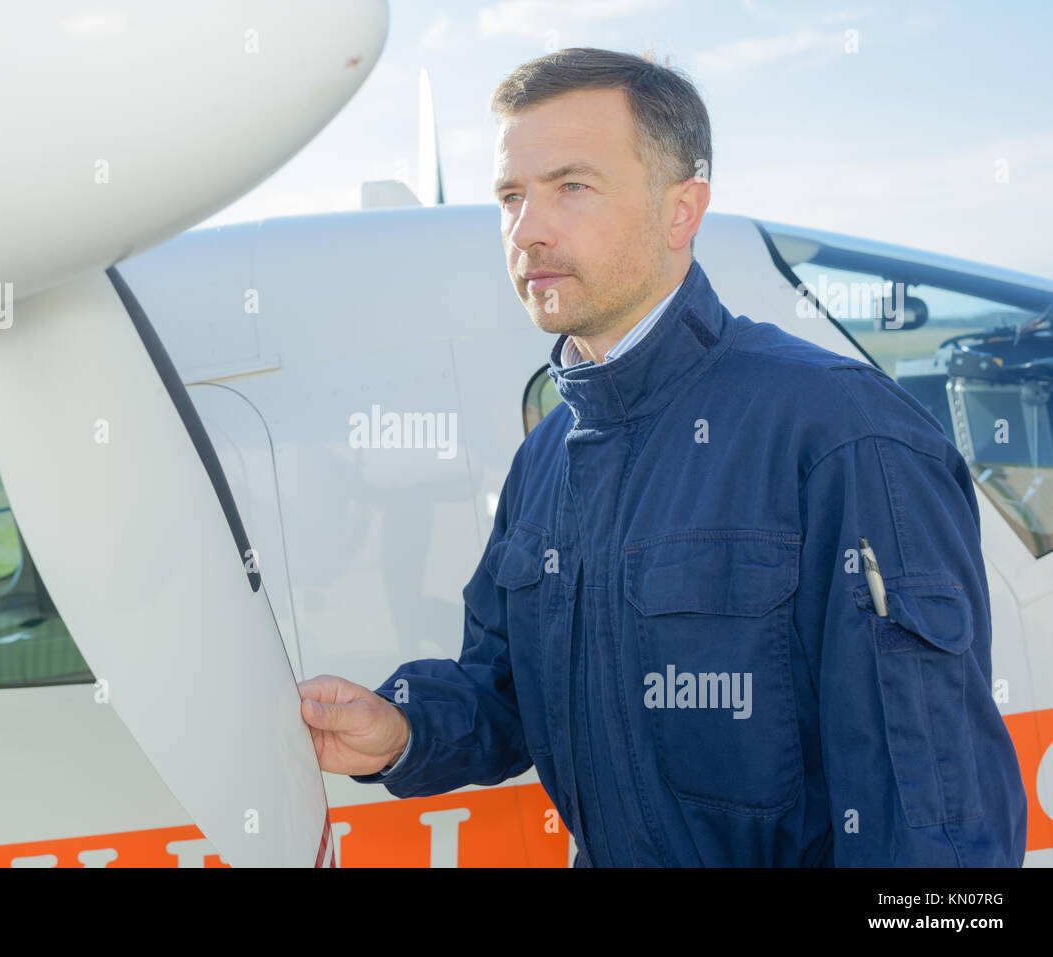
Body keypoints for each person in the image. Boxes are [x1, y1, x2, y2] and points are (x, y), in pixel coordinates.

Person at [297, 47, 1027, 866]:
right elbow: (512, 687)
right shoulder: (546, 460)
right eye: (510, 195)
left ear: (681, 211)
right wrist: (402, 728)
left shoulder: (842, 435)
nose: (526, 227)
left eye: (571, 186)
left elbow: (934, 829)